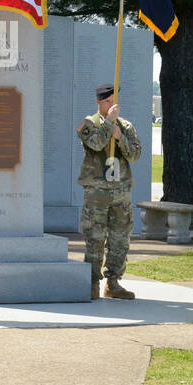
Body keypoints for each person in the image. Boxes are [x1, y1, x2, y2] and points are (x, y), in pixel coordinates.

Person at [77, 82, 142, 300]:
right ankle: (92, 282)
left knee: (120, 238)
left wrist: (120, 137)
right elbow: (95, 144)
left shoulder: (125, 126)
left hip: (121, 191)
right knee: (95, 237)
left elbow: (135, 154)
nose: (112, 104)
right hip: (97, 192)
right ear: (98, 101)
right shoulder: (89, 123)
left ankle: (113, 283)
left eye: (114, 100)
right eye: (107, 101)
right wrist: (108, 125)